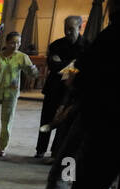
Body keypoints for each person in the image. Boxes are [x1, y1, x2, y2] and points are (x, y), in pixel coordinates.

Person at [10, 0, 120, 189]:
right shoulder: (108, 38)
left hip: (100, 129)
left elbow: (82, 79)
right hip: (103, 131)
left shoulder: (105, 38)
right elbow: (83, 78)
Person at [36, 15, 86, 158]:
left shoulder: (87, 46)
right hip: (53, 88)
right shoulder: (56, 45)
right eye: (66, 29)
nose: (68, 32)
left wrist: (64, 63)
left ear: (80, 27)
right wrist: (73, 63)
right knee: (46, 119)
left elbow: (82, 67)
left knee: (64, 123)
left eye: (71, 29)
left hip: (72, 91)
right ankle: (40, 150)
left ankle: (55, 152)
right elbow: (53, 66)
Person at [0, 31, 37, 158]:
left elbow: (32, 74)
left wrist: (33, 70)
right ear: (6, 43)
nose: (15, 45)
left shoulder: (22, 57)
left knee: (7, 121)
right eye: (12, 43)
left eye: (18, 43)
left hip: (11, 93)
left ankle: (2, 147)